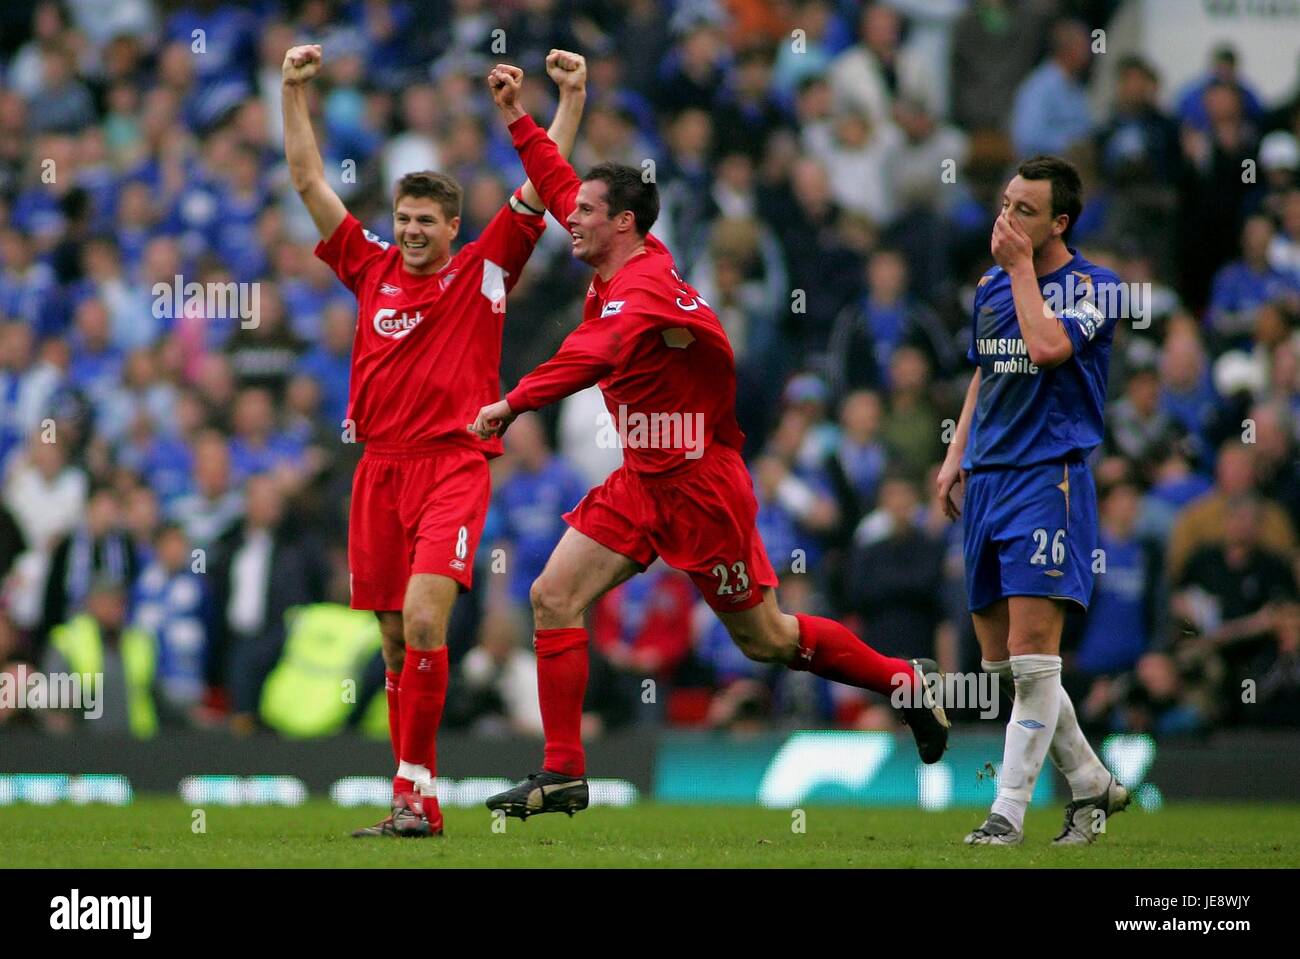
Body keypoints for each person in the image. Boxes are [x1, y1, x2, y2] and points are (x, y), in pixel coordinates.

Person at [469, 61, 949, 821]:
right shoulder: (612, 254)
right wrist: (519, 114)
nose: (574, 219)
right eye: (578, 210)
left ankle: (904, 682)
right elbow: (559, 181)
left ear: (624, 221)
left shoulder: (643, 289)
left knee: (766, 638)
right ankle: (563, 771)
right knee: (552, 595)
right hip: (642, 478)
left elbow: (595, 352)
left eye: (590, 212)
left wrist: (515, 400)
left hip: (698, 486)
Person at [281, 43, 587, 838]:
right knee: (390, 638)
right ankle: (409, 792)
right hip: (377, 470)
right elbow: (309, 181)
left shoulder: (488, 268)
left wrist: (568, 100)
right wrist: (292, 91)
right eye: (404, 219)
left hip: (452, 464)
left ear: (455, 225)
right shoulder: (369, 266)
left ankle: (419, 796)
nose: (413, 232)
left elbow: (549, 183)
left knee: (423, 619)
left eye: (427, 221)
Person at [935, 155, 1130, 846]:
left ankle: (1006, 812)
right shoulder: (989, 285)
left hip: (1049, 476)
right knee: (1002, 663)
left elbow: (1047, 346)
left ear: (1059, 223)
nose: (1007, 218)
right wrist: (957, 454)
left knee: (1034, 652)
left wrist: (1023, 272)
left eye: (1025, 210)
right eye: (1006, 203)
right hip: (987, 476)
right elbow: (990, 371)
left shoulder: (1097, 287)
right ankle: (1093, 783)